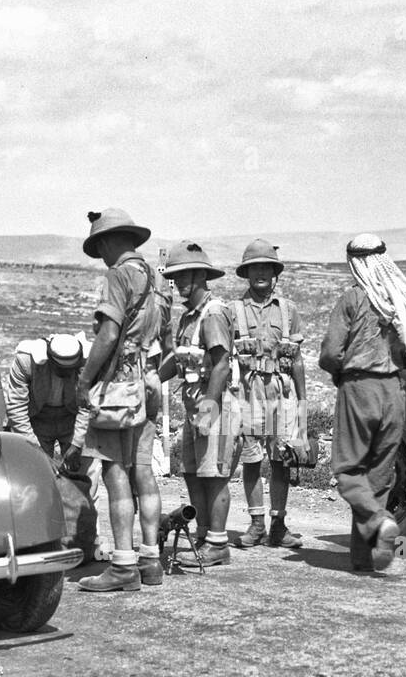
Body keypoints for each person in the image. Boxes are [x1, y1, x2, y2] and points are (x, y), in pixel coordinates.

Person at [319, 234, 406, 573]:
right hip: (394, 392)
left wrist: (338, 373)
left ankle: (380, 524)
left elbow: (330, 354)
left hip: (359, 388)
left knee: (349, 469)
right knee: (380, 477)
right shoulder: (403, 299)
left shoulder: (353, 299)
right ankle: (369, 557)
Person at [75, 208, 164, 592]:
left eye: (101, 247)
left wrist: (84, 380)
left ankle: (123, 564)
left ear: (110, 241)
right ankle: (151, 559)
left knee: (114, 474)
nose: (103, 256)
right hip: (148, 382)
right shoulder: (157, 280)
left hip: (118, 386)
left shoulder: (118, 275)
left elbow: (108, 335)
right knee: (143, 473)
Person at [157, 241, 239, 567]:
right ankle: (204, 535)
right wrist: (150, 380)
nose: (176, 284)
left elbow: (221, 364)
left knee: (214, 475)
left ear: (198, 275)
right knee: (194, 474)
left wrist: (208, 410)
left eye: (181, 277)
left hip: (213, 406)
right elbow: (178, 362)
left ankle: (218, 544)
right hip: (194, 407)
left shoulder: (213, 313)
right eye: (173, 277)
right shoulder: (188, 318)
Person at [229, 239, 308, 549]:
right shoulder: (233, 310)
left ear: (275, 272)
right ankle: (256, 523)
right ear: (247, 273)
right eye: (254, 268)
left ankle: (278, 524)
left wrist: (302, 403)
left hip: (281, 391)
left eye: (266, 267)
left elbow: (297, 358)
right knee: (250, 460)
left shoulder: (288, 310)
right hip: (247, 392)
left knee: (281, 460)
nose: (260, 273)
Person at [3, 333, 87, 460]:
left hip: (71, 418)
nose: (67, 372)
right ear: (50, 361)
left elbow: (87, 405)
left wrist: (77, 443)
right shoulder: (26, 362)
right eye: (61, 368)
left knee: (80, 466)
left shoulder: (87, 363)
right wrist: (37, 450)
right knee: (37, 468)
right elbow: (16, 407)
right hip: (37, 418)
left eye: (70, 368)